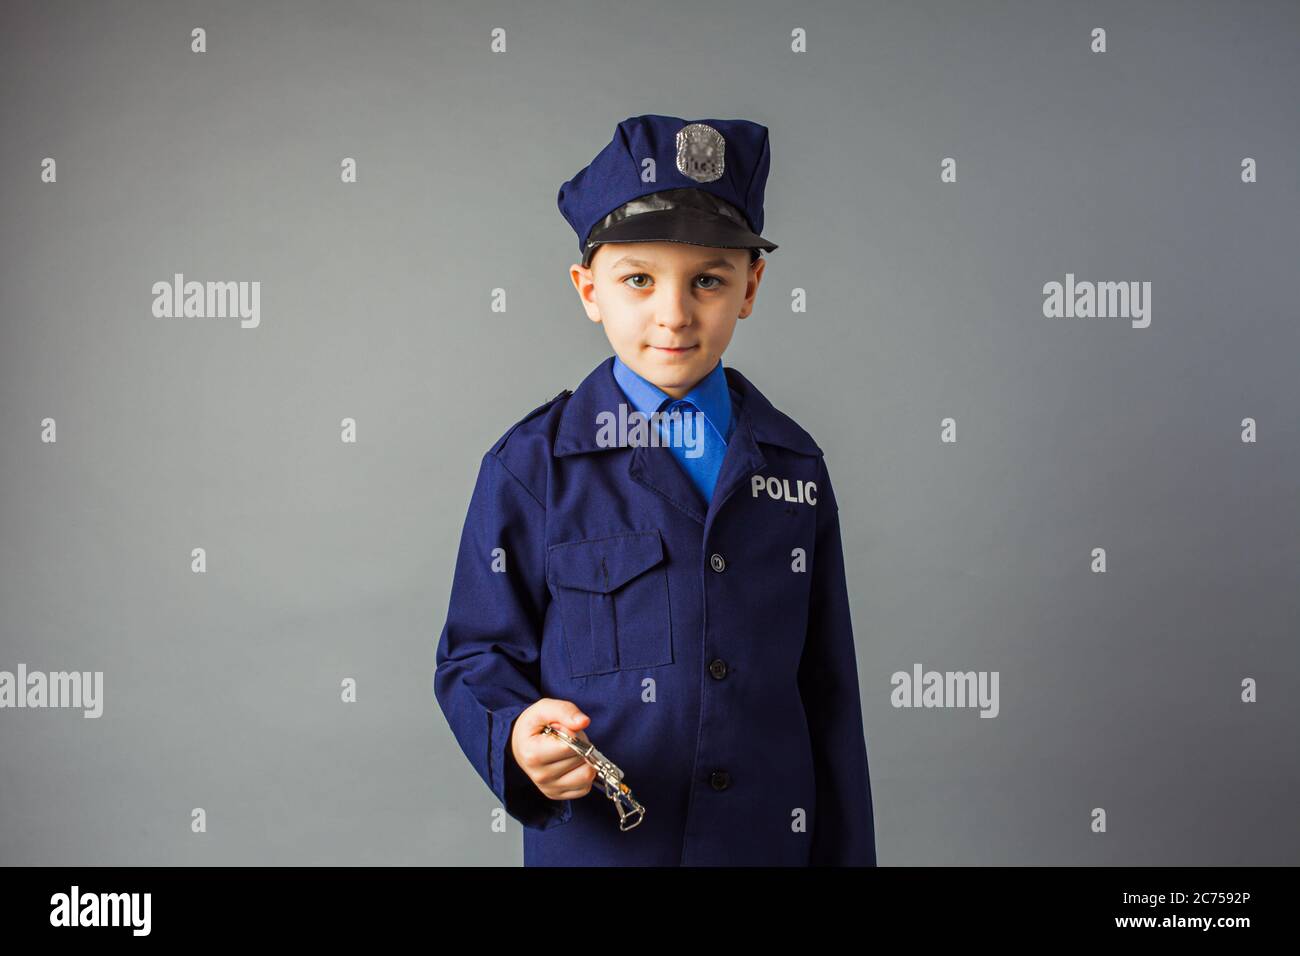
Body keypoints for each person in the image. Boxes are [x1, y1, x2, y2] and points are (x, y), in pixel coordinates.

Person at [433, 114, 876, 866]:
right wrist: (514, 735)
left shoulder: (794, 466)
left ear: (751, 286)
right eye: (638, 279)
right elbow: (476, 655)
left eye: (708, 279)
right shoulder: (531, 467)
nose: (673, 314)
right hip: (608, 849)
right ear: (588, 290)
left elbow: (829, 695)